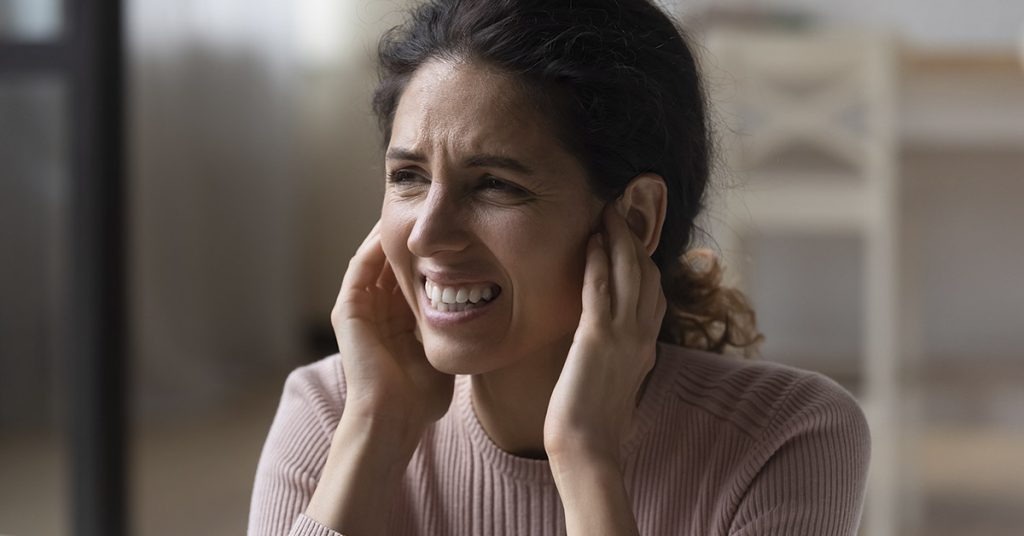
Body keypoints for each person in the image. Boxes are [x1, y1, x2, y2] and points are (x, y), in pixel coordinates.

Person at [248, 0, 870, 534]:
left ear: (635, 219)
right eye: (408, 177)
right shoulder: (332, 411)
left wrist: (586, 456)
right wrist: (374, 433)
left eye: (493, 184)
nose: (427, 235)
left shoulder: (784, 438)